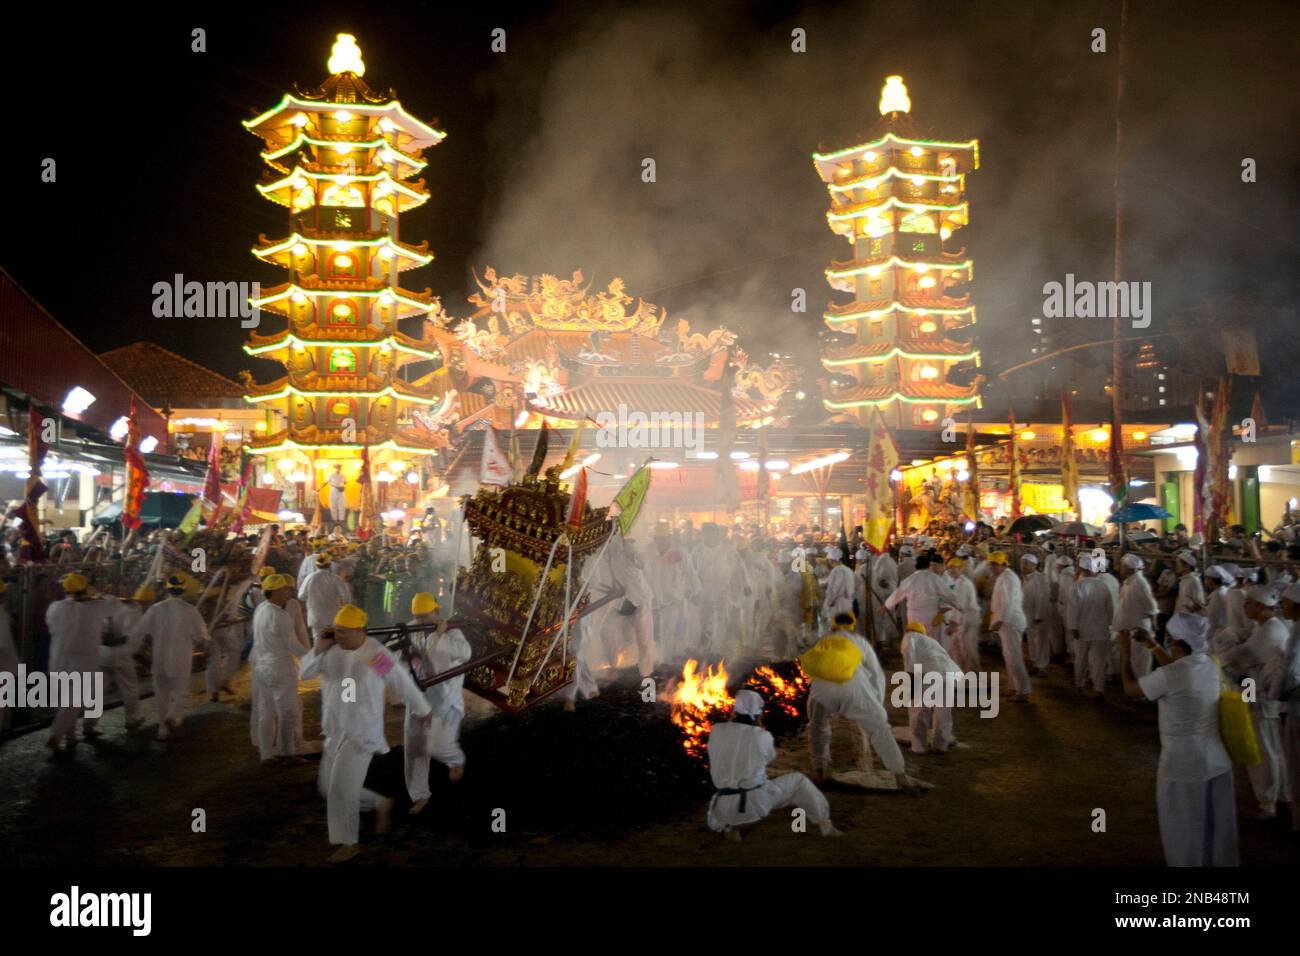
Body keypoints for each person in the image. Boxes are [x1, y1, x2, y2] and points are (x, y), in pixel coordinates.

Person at [299, 604, 432, 863]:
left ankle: (349, 844)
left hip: (361, 733)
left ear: (360, 630)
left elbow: (401, 683)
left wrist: (423, 709)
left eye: (344, 632)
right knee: (326, 786)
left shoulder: (375, 654)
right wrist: (318, 646)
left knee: (340, 788)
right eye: (336, 631)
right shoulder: (331, 651)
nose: (339, 637)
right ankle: (380, 803)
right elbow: (304, 673)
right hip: (335, 730)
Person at [1118, 613, 1238, 867]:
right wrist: (1152, 645)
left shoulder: (1172, 674)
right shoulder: (1208, 662)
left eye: (1168, 639)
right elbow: (1177, 670)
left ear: (1176, 642)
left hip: (1184, 765)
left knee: (1185, 835)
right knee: (1218, 835)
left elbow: (1130, 689)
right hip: (1218, 761)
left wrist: (1124, 652)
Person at [707, 689, 839, 840]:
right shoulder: (761, 736)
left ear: (735, 711)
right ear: (757, 713)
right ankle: (825, 826)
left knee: (753, 792)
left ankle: (730, 828)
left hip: (723, 806)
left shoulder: (715, 731)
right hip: (752, 803)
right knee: (799, 781)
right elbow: (768, 758)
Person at [805, 612, 913, 788]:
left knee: (817, 727)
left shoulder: (824, 640)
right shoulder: (861, 642)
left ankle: (820, 771)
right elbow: (877, 675)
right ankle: (900, 776)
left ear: (833, 627)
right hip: (854, 687)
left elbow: (812, 669)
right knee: (880, 729)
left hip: (822, 689)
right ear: (854, 627)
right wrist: (876, 704)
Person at [1222, 585, 1291, 818]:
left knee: (1262, 746)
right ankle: (1278, 793)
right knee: (1270, 744)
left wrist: (1221, 654)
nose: (1245, 606)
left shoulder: (1270, 631)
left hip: (1261, 694)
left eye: (1249, 603)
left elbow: (1237, 657)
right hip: (1256, 690)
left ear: (1262, 607)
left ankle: (1268, 799)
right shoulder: (1265, 627)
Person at [403, 593, 472, 814]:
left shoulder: (454, 632)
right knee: (414, 750)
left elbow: (466, 654)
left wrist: (439, 637)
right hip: (418, 700)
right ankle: (420, 796)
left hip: (445, 702)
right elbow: (403, 660)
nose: (421, 621)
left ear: (437, 611)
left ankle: (456, 760)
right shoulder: (411, 629)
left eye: (425, 616)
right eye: (417, 617)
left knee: (437, 746)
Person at [132, 574, 211, 741]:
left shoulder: (156, 608)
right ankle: (173, 714)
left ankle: (162, 729)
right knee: (180, 693)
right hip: (181, 661)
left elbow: (139, 630)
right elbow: (202, 636)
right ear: (183, 591)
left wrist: (137, 648)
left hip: (160, 659)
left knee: (161, 696)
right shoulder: (191, 610)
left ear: (167, 589)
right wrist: (201, 643)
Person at [44, 573, 112, 750]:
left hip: (58, 659)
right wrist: (96, 595)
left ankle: (71, 736)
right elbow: (115, 607)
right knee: (74, 701)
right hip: (83, 661)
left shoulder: (55, 607)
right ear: (84, 589)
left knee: (64, 700)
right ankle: (57, 734)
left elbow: (50, 625)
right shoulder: (96, 607)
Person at [250, 574, 309, 764]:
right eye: (284, 589)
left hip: (262, 666)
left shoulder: (260, 609)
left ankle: (266, 754)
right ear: (274, 591)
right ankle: (287, 752)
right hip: (280, 668)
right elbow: (292, 644)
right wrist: (314, 658)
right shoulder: (280, 615)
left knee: (265, 711)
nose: (288, 592)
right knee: (289, 712)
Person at [92, 584, 154, 732]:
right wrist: (139, 656)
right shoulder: (133, 609)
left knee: (97, 690)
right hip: (119, 652)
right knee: (130, 687)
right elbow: (131, 638)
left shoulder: (102, 602)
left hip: (101, 651)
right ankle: (132, 719)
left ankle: (89, 725)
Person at [900, 621, 963, 755]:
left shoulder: (909, 637)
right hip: (950, 675)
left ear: (908, 630)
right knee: (943, 712)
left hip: (931, 674)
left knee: (918, 711)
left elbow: (909, 663)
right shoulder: (931, 641)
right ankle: (941, 746)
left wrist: (909, 691)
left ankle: (919, 748)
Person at [1068, 555, 1116, 698]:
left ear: (1081, 568)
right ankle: (1099, 688)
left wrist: (1073, 627)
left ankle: (1079, 684)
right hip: (1101, 630)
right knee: (1099, 661)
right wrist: (1107, 624)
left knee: (1081, 658)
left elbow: (1073, 610)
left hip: (1082, 630)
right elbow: (1110, 609)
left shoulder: (1077, 586)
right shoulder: (1103, 586)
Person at [988, 552, 1031, 702]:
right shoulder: (1004, 576)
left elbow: (1007, 603)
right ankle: (1013, 686)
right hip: (1007, 621)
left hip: (1010, 622)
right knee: (1009, 655)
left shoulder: (1007, 578)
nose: (991, 568)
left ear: (1001, 564)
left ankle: (1023, 690)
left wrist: (1001, 620)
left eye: (993, 565)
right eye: (991, 564)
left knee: (1014, 656)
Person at [1274, 583, 1300, 832]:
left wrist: (1273, 698)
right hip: (1274, 698)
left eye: (1285, 603)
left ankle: (1270, 801)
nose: (1281, 607)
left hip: (1267, 699)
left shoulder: (1283, 632)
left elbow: (1287, 673)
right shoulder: (1281, 629)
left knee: (1269, 746)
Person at [884, 554, 952, 643]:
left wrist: (886, 605)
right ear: (928, 565)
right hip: (931, 615)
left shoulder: (910, 579)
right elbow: (950, 597)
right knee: (931, 641)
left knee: (917, 639)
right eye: (932, 565)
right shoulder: (934, 578)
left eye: (935, 565)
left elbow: (898, 593)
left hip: (916, 616)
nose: (933, 568)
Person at [1116, 554, 1160, 678]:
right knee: (1134, 660)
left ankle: (1142, 693)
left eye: (1123, 567)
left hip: (1140, 630)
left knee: (1141, 662)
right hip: (1131, 629)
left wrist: (1153, 627)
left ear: (1130, 568)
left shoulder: (1140, 583)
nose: (1121, 569)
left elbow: (1152, 607)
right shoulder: (1129, 582)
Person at [942, 557, 981, 672]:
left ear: (961, 569)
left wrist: (953, 625)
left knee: (968, 650)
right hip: (964, 619)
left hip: (969, 620)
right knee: (956, 648)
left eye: (955, 568)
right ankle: (960, 674)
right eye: (950, 568)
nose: (951, 570)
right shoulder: (958, 581)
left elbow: (961, 606)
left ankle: (975, 677)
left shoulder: (963, 584)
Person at [302, 553, 351, 638]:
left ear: (316, 565)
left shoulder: (309, 578)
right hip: (332, 616)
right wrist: (341, 606)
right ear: (329, 565)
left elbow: (301, 596)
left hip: (315, 617)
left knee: (318, 641)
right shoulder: (335, 578)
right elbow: (346, 597)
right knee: (333, 642)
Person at [1020, 554, 1054, 677]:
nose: (1022, 566)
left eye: (1025, 563)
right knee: (1031, 640)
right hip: (1028, 615)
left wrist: (1039, 615)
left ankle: (1042, 667)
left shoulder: (1041, 578)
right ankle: (1034, 663)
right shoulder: (1025, 578)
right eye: (1022, 563)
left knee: (1041, 641)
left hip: (1039, 617)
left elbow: (1043, 597)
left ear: (1034, 565)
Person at [328, 464, 347, 529]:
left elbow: (345, 482)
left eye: (339, 468)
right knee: (333, 506)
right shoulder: (331, 475)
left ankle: (341, 521)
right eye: (337, 468)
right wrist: (336, 486)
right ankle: (335, 521)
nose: (338, 469)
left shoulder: (343, 475)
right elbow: (328, 482)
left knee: (342, 505)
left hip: (341, 492)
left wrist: (343, 487)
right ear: (335, 468)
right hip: (333, 491)